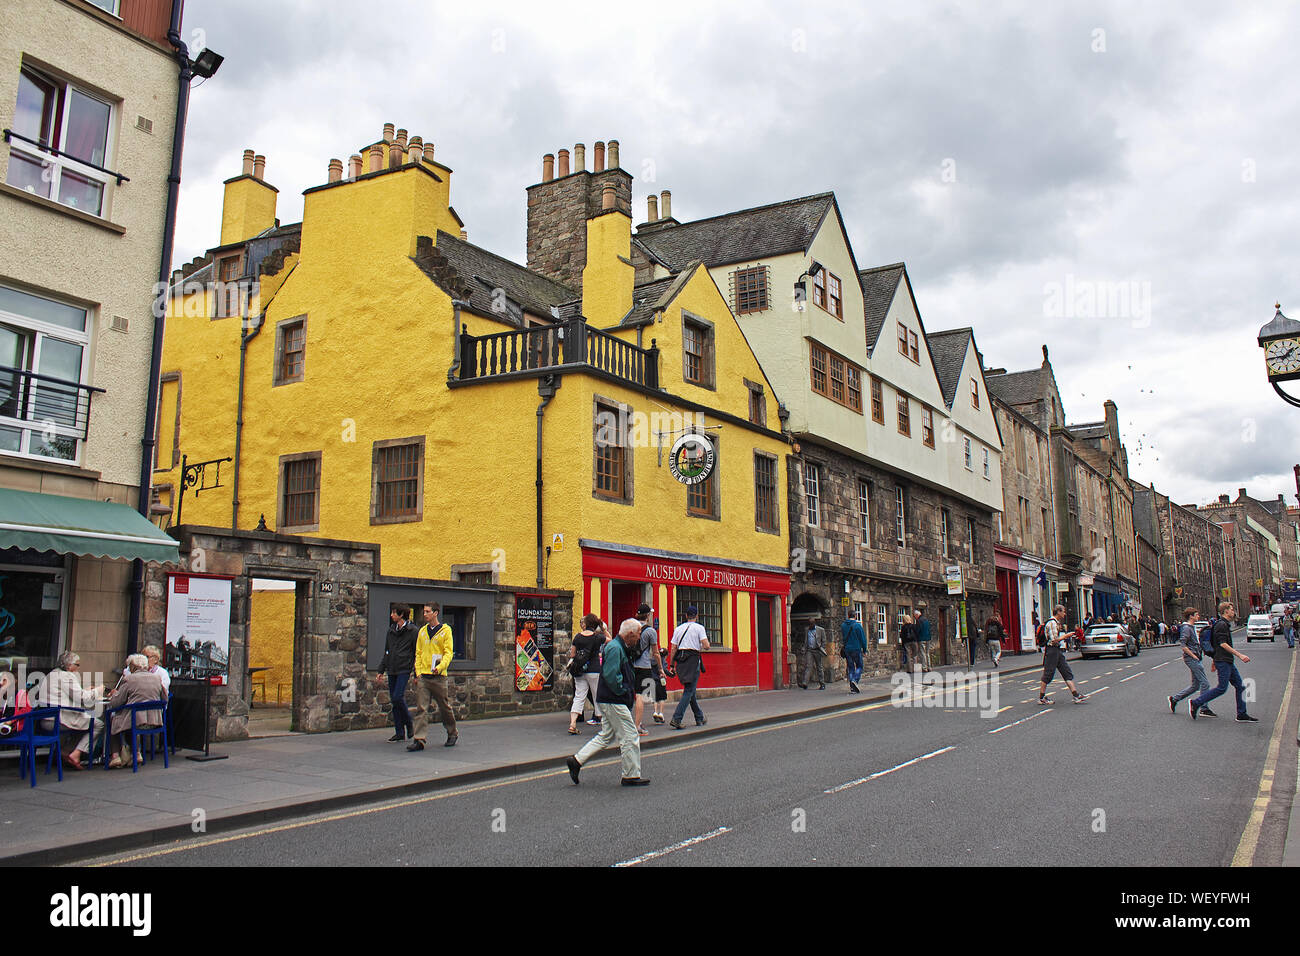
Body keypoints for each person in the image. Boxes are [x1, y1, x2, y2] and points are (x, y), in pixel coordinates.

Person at [565, 618, 649, 786]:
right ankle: (630, 775)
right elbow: (611, 676)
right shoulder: (615, 648)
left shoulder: (619, 647)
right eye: (638, 634)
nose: (639, 638)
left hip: (610, 699)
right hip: (614, 700)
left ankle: (576, 761)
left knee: (606, 735)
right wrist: (623, 692)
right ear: (630, 634)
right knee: (630, 735)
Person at [1189, 602, 1257, 722]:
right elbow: (1222, 644)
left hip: (1226, 660)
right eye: (1231, 609)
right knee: (1221, 688)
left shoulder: (1224, 624)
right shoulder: (1221, 625)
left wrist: (1215, 660)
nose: (1233, 611)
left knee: (1240, 686)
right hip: (1224, 661)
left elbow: (1216, 645)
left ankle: (1241, 714)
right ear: (1226, 611)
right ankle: (1196, 703)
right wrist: (1240, 655)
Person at [41, 651, 105, 770]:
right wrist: (98, 690)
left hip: (46, 718)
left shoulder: (51, 674)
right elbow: (82, 698)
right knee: (98, 724)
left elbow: (68, 694)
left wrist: (86, 690)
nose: (78, 668)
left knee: (84, 723)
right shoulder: (67, 676)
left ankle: (65, 751)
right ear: (69, 665)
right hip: (60, 718)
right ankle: (76, 754)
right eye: (77, 664)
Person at [408, 603, 457, 751]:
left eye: (428, 612)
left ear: (435, 613)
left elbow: (449, 652)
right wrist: (418, 671)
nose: (425, 614)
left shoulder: (445, 630)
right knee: (421, 708)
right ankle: (419, 739)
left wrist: (440, 667)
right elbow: (418, 653)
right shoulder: (422, 632)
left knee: (444, 707)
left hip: (438, 676)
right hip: (424, 675)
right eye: (424, 612)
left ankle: (452, 732)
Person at [104, 654, 167, 769]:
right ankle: (136, 753)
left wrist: (114, 695)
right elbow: (164, 698)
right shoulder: (157, 678)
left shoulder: (129, 679)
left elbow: (116, 703)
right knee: (130, 721)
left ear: (132, 667)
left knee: (114, 718)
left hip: (135, 720)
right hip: (155, 721)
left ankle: (115, 756)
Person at [377, 604, 416, 742]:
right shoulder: (391, 631)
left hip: (404, 668)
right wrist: (381, 670)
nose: (391, 615)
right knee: (394, 700)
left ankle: (409, 723)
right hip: (392, 667)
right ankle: (399, 732)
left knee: (398, 697)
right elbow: (387, 651)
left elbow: (417, 652)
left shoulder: (412, 631)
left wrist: (417, 673)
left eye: (394, 613)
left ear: (401, 615)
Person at [667, 604, 709, 729]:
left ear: (686, 616)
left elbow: (673, 648)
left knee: (690, 690)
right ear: (696, 616)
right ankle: (677, 718)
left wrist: (672, 664)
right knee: (689, 691)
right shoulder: (699, 628)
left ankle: (699, 717)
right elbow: (706, 645)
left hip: (681, 662)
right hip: (693, 661)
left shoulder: (678, 629)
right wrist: (703, 645)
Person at [1038, 605, 1087, 705]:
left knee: (1066, 671)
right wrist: (1066, 636)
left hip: (1057, 650)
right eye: (1063, 611)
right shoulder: (1052, 623)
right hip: (1052, 650)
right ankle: (1041, 698)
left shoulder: (1056, 623)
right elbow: (1053, 640)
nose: (1065, 613)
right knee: (1048, 674)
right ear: (1058, 612)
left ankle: (1076, 695)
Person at [1169, 607, 1213, 717]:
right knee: (1205, 684)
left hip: (1194, 657)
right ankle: (1203, 707)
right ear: (1191, 616)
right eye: (1196, 615)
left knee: (1195, 686)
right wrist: (1194, 656)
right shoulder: (1186, 628)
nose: (1198, 616)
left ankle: (1174, 699)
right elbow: (1183, 645)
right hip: (1192, 659)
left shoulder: (1191, 627)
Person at [566, 614, 605, 734]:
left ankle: (572, 724)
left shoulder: (577, 637)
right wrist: (603, 628)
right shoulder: (597, 637)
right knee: (597, 696)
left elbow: (572, 654)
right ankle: (603, 723)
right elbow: (609, 639)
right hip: (594, 669)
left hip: (580, 670)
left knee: (579, 697)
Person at [630, 603, 664, 735]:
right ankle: (637, 725)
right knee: (640, 696)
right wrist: (660, 669)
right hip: (643, 665)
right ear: (648, 616)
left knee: (628, 694)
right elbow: (655, 653)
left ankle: (628, 723)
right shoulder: (650, 631)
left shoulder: (631, 627)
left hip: (630, 664)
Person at [841, 611, 867, 693]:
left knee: (851, 667)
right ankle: (855, 680)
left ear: (848, 615)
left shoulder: (843, 625)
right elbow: (862, 639)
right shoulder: (858, 626)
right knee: (859, 666)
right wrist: (865, 649)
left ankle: (852, 687)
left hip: (847, 649)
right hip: (856, 649)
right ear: (855, 616)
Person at [799, 618, 827, 690]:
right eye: (809, 624)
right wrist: (804, 648)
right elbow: (806, 640)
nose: (810, 625)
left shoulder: (820, 630)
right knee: (808, 666)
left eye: (812, 624)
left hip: (817, 650)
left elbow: (824, 640)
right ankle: (805, 683)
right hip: (809, 650)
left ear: (814, 623)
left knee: (819, 667)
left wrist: (822, 648)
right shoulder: (807, 629)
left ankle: (822, 683)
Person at [915, 607, 932, 672]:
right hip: (928, 638)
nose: (915, 617)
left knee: (923, 653)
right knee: (927, 653)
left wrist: (916, 637)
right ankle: (929, 667)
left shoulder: (919, 621)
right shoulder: (926, 620)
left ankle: (924, 667)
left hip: (922, 638)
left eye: (915, 616)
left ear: (917, 615)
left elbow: (917, 630)